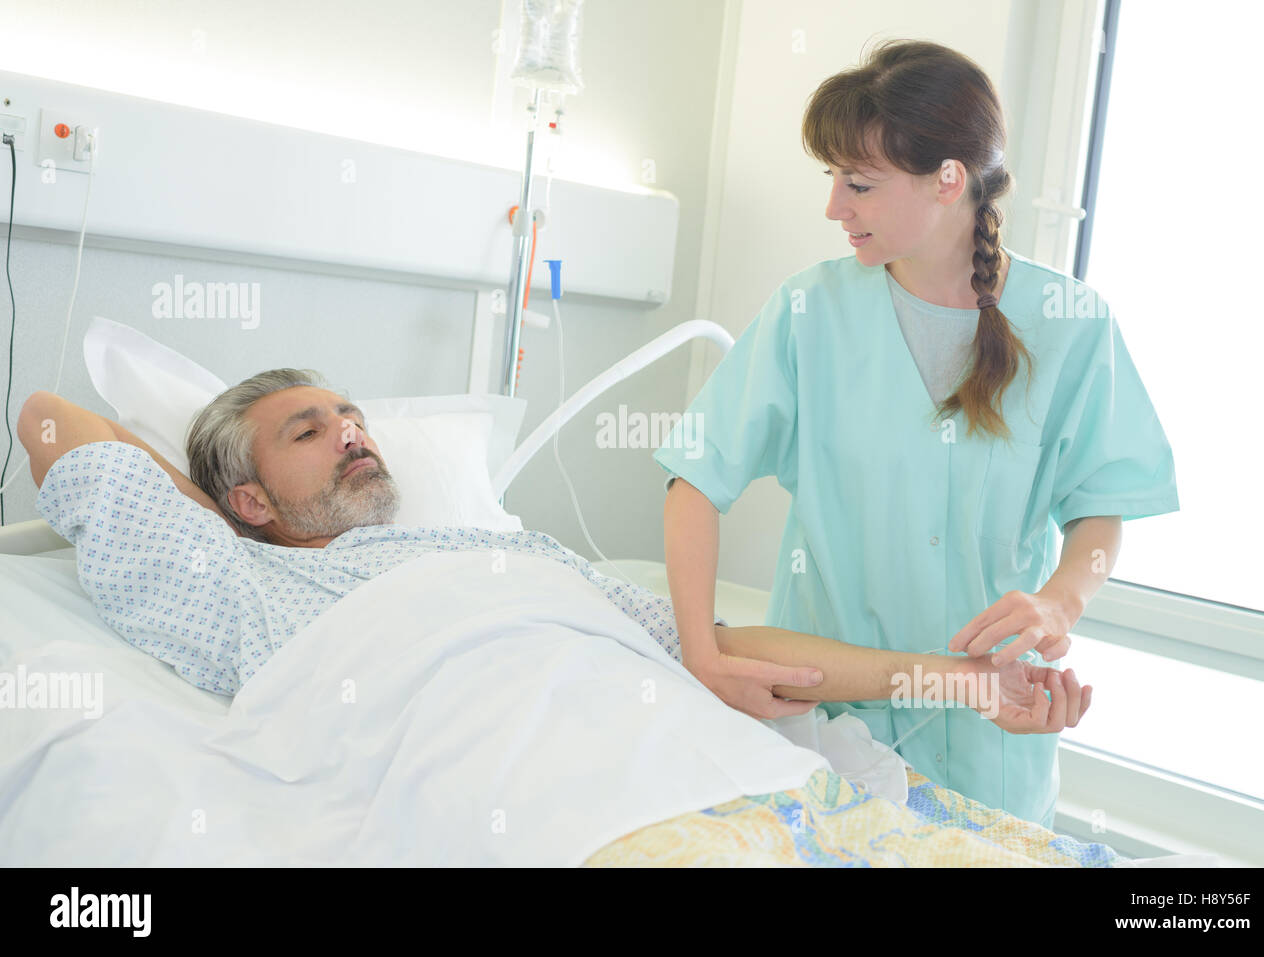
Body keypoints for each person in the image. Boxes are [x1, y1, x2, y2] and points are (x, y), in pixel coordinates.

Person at [654, 39, 1178, 828]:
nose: (835, 206)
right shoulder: (811, 313)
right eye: (832, 178)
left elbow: (1101, 505)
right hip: (825, 725)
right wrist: (702, 647)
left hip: (992, 738)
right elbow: (695, 477)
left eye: (858, 184)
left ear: (949, 180)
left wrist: (1060, 604)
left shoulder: (1072, 325)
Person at [18, 375, 1085, 738]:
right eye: (310, 431)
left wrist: (958, 682)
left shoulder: (505, 552)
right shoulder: (247, 584)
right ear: (249, 498)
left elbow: (714, 649)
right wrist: (215, 517)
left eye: (354, 416)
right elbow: (53, 419)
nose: (353, 431)